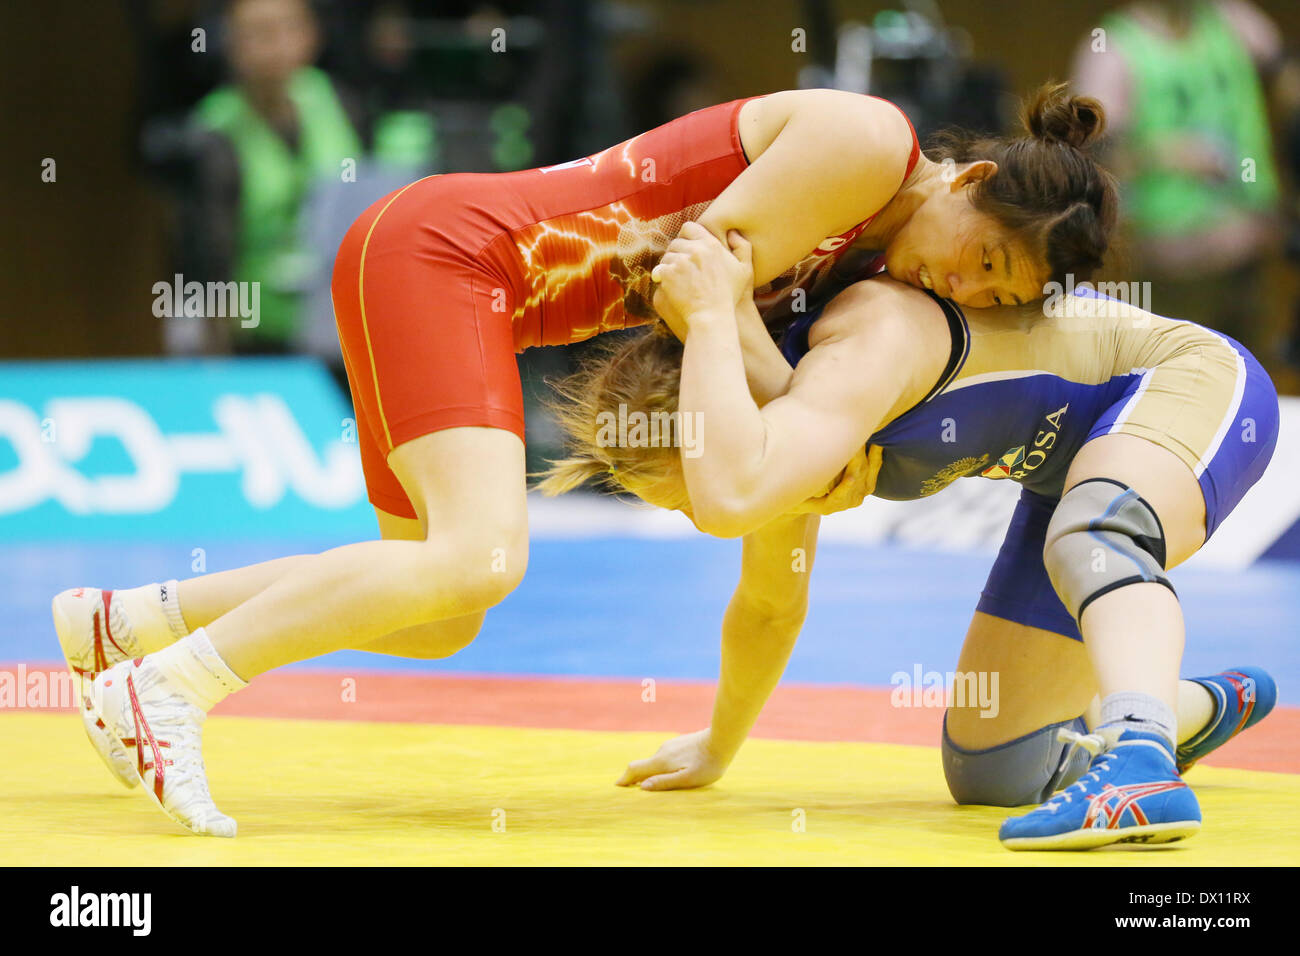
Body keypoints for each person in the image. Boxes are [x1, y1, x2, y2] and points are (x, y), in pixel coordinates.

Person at [58, 84, 1116, 837]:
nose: (963, 287)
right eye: (982, 257)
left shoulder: (845, 288)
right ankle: (170, 690)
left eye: (994, 295)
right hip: (449, 255)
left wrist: (719, 742)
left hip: (454, 287)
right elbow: (687, 271)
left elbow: (770, 593)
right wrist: (803, 410)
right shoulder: (866, 144)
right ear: (972, 176)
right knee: (481, 556)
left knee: (438, 609)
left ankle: (128, 622)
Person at [540, 224, 1278, 849]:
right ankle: (1192, 708)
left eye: (693, 496)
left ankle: (1141, 759)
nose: (710, 515)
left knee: (1094, 535)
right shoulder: (785, 429)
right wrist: (716, 744)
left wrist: (708, 307)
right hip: (1070, 468)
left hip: (1191, 386)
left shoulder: (859, 343)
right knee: (997, 769)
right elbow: (769, 604)